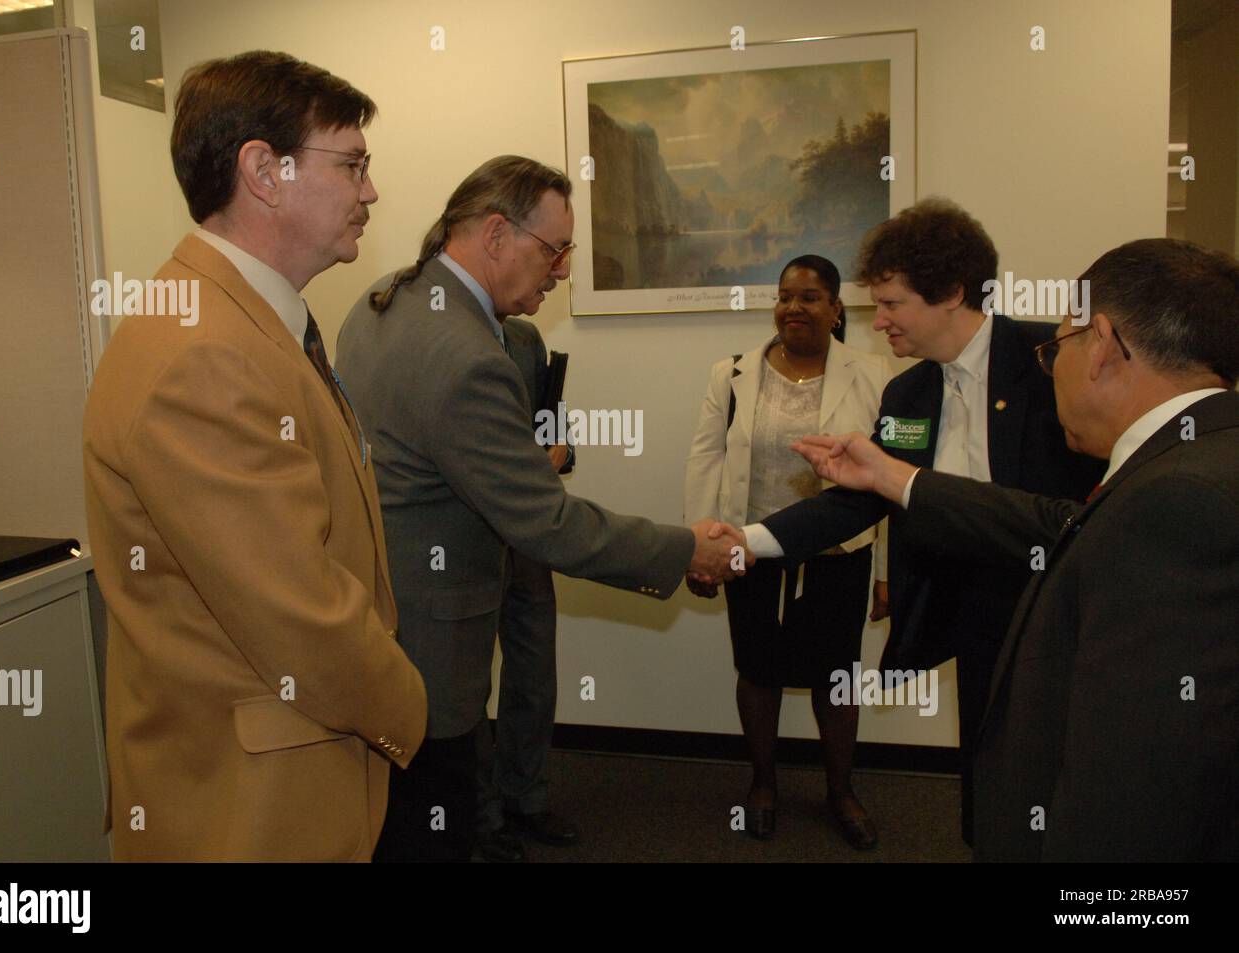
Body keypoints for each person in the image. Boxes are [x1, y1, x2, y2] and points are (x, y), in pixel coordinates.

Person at [335, 154, 746, 863]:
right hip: (433, 645)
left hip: (376, 618)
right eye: (555, 251)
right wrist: (686, 548)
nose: (560, 272)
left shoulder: (380, 299)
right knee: (433, 822)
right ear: (496, 235)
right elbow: (546, 522)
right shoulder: (465, 355)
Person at [82, 51, 426, 860]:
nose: (370, 191)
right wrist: (413, 707)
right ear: (263, 173)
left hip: (286, 765)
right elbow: (300, 613)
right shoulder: (205, 352)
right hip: (246, 804)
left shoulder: (247, 322)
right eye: (353, 164)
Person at [792, 237, 1239, 862]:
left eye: (1060, 346)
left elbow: (1142, 771)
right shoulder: (1199, 457)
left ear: (1102, 344)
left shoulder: (1178, 499)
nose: (1050, 365)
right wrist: (890, 477)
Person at [736, 199, 1103, 845]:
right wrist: (748, 542)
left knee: (1073, 784)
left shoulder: (1052, 361)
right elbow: (865, 498)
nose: (876, 322)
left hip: (1066, 616)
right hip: (975, 616)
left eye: (891, 305)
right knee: (988, 776)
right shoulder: (909, 394)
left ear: (952, 293)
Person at [685, 255, 890, 849]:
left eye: (810, 297)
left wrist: (888, 574)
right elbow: (706, 457)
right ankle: (764, 783)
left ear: (835, 309)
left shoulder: (875, 375)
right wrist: (700, 545)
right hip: (750, 550)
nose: (793, 307)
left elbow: (890, 483)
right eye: (784, 296)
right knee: (758, 669)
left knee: (836, 678)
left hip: (839, 551)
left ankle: (840, 790)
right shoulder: (732, 373)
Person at [474, 315, 579, 863]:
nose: (554, 270)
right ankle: (479, 816)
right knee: (467, 684)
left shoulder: (525, 339)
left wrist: (558, 451)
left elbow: (552, 426)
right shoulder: (442, 328)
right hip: (464, 534)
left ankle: (525, 797)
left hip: (529, 535)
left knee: (534, 672)